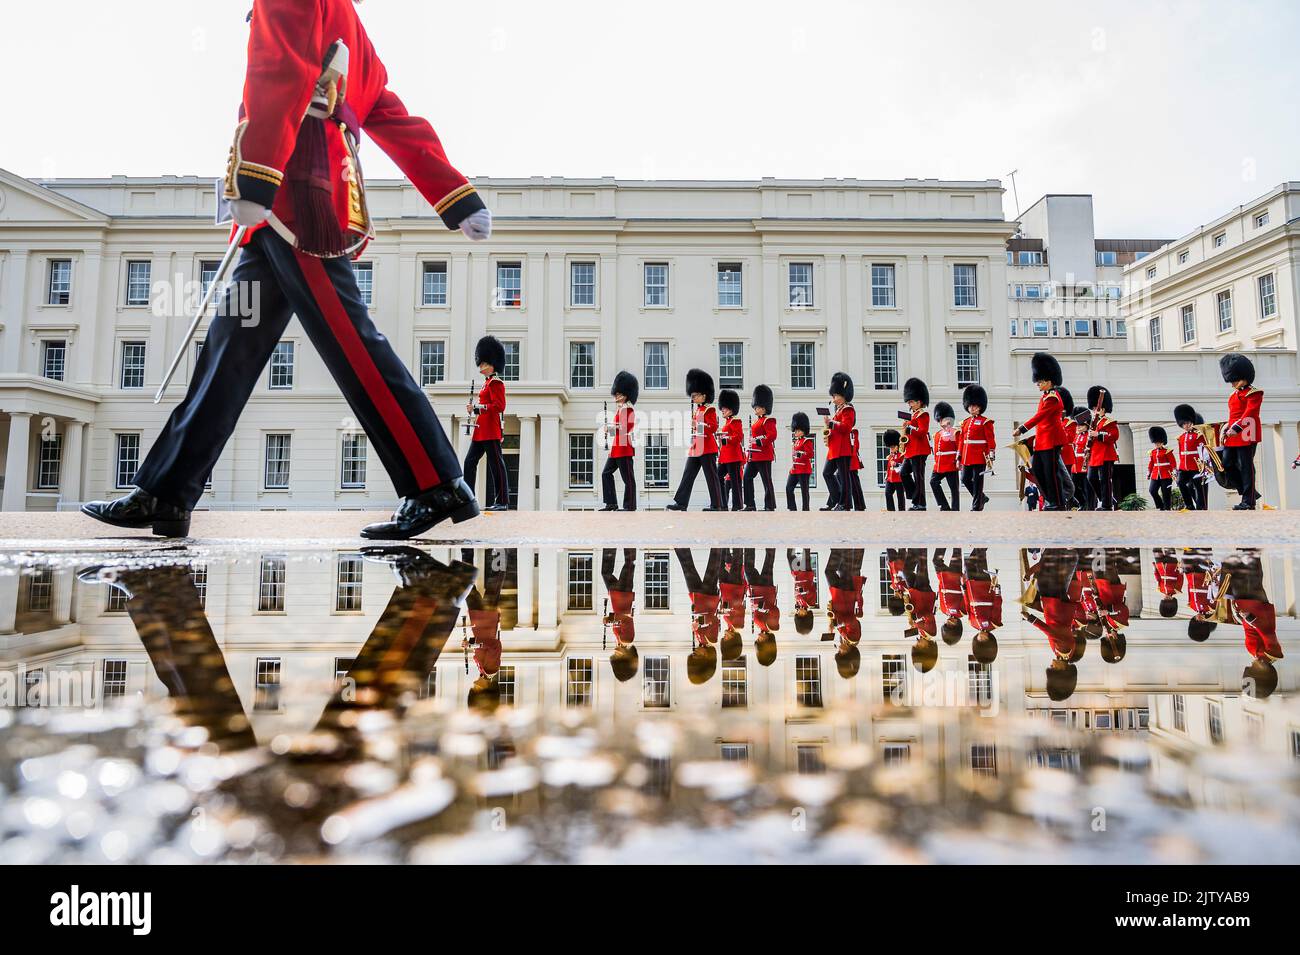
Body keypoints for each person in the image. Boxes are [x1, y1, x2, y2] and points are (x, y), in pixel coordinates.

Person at [81, 0, 492, 540]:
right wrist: (452, 193)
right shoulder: (345, 15)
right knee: (229, 350)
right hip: (293, 198)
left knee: (352, 342)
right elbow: (386, 109)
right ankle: (165, 491)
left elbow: (276, 75)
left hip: (295, 196)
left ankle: (435, 480)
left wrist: (256, 177)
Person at [1014, 353, 1068, 510]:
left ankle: (1058, 502)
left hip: (1051, 440)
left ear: (1049, 381)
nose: (1038, 383)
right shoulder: (1045, 396)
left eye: (1040, 381)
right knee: (1037, 470)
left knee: (1051, 473)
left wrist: (1022, 428)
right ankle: (1051, 498)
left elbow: (1040, 416)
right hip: (1043, 440)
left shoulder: (1053, 398)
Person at [462, 336, 510, 511]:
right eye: (480, 364)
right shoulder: (486, 384)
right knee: (469, 463)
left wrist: (478, 408)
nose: (481, 367)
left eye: (484, 364)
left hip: (490, 430)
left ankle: (502, 501)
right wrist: (473, 409)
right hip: (481, 430)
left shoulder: (496, 383)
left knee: (496, 465)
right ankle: (469, 499)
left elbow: (499, 406)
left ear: (493, 363)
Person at [668, 369, 724, 511]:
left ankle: (717, 504)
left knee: (711, 477)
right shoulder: (698, 410)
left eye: (695, 395)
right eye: (692, 395)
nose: (692, 397)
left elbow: (713, 427)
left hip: (707, 448)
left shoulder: (709, 410)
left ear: (703, 395)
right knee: (688, 474)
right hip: (696, 447)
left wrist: (697, 425)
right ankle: (681, 502)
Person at [1220, 353, 1263, 510]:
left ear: (1244, 377)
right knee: (1226, 464)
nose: (1232, 384)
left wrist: (1236, 428)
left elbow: (1250, 413)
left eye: (1234, 380)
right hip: (1232, 435)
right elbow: (1233, 415)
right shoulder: (1234, 394)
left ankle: (1248, 501)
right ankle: (1248, 491)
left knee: (1246, 467)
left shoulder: (1254, 393)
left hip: (1246, 433)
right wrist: (1226, 428)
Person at [600, 371, 639, 511]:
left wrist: (609, 427)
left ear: (625, 394)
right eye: (616, 393)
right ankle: (611, 503)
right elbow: (617, 431)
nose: (616, 396)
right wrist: (608, 431)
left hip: (625, 449)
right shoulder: (620, 410)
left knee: (628, 479)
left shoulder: (629, 410)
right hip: (616, 449)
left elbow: (624, 428)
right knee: (606, 474)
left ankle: (630, 506)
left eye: (618, 393)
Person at [821, 372, 856, 511]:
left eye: (835, 396)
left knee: (844, 477)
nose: (833, 399)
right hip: (834, 448)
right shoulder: (838, 411)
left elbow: (847, 428)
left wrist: (832, 423)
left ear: (843, 395)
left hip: (843, 448)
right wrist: (829, 427)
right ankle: (838, 500)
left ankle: (845, 503)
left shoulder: (848, 409)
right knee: (827, 473)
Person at [603, 548, 638, 681]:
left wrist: (610, 621)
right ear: (626, 656)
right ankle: (629, 541)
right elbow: (626, 620)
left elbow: (619, 621)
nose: (615, 653)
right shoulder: (627, 640)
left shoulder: (619, 640)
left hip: (616, 597)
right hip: (624, 595)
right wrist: (610, 619)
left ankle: (609, 546)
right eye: (618, 657)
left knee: (605, 572)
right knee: (629, 563)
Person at [958, 384, 995, 511]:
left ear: (980, 407)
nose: (972, 408)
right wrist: (959, 454)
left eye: (974, 406)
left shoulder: (986, 422)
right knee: (965, 479)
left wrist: (991, 453)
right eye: (970, 405)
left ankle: (977, 506)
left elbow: (990, 439)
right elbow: (962, 440)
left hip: (980, 455)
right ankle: (982, 498)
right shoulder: (965, 422)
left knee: (978, 482)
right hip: (967, 455)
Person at [898, 378, 931, 510]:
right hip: (911, 450)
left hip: (920, 450)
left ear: (919, 401)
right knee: (904, 473)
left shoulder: (923, 415)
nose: (909, 404)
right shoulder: (913, 415)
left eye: (911, 402)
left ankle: (921, 503)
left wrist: (910, 428)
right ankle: (914, 496)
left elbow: (923, 431)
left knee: (919, 477)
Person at [1083, 385, 1118, 510]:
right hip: (1095, 454)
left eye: (1097, 408)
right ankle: (1104, 499)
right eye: (1093, 408)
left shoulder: (1109, 422)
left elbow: (1114, 436)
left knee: (1105, 480)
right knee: (1091, 478)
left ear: (1103, 409)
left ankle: (1107, 505)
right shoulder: (1094, 422)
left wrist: (1098, 435)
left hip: (1106, 454)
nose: (1095, 410)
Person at [744, 385, 778, 511]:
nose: (755, 409)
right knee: (747, 477)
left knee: (766, 481)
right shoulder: (756, 421)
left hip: (763, 455)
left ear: (763, 408)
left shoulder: (768, 420)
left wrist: (758, 441)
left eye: (757, 407)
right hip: (753, 455)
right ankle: (750, 504)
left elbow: (772, 435)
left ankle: (769, 505)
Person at [716, 388, 746, 511]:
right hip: (725, 457)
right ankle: (723, 504)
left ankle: (737, 505)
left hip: (733, 456)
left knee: (735, 482)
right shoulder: (726, 423)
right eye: (722, 408)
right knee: (718, 477)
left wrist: (725, 438)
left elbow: (739, 437)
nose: (722, 410)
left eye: (725, 408)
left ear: (731, 409)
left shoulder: (735, 421)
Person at [929, 401, 961, 511]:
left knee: (954, 488)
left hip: (951, 463)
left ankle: (955, 508)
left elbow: (959, 447)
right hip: (939, 464)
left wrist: (958, 460)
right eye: (941, 419)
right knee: (933, 482)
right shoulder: (937, 434)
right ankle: (944, 505)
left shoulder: (954, 432)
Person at [1174, 404, 1206, 510]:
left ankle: (1201, 507)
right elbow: (1181, 453)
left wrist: (1204, 464)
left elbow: (1203, 450)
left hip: (1196, 465)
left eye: (1187, 423)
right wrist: (1179, 467)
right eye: (1183, 424)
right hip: (1184, 466)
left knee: (1198, 487)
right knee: (1180, 483)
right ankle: (1189, 505)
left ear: (1192, 422)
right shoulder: (1181, 437)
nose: (1186, 425)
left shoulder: (1199, 435)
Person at [787, 413, 814, 511]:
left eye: (798, 430)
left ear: (803, 431)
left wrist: (801, 454)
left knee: (804, 491)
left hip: (803, 469)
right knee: (789, 488)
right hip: (795, 469)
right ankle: (792, 508)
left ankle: (805, 509)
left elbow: (810, 454)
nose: (795, 432)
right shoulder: (796, 441)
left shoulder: (806, 441)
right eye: (795, 430)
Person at [1147, 426, 1176, 510]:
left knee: (1166, 493)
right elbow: (1151, 463)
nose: (1156, 444)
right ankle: (1160, 506)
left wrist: (1174, 471)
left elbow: (1172, 462)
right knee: (1152, 490)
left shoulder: (1167, 451)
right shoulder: (1152, 452)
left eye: (1158, 442)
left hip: (1166, 475)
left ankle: (1167, 508)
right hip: (1155, 475)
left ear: (1162, 442)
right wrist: (1149, 472)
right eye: (1155, 443)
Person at [883, 429, 906, 512]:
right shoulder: (891, 455)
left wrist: (896, 464)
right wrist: (887, 476)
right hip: (890, 478)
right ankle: (891, 510)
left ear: (897, 446)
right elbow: (889, 467)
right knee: (888, 494)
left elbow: (904, 467)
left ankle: (901, 511)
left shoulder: (902, 455)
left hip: (899, 479)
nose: (891, 448)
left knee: (900, 496)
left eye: (892, 447)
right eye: (890, 447)